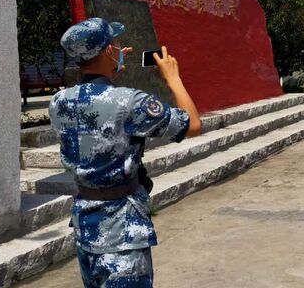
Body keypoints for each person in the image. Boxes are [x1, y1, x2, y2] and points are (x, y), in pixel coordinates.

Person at [51, 17, 202, 288]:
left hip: (87, 227)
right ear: (109, 50)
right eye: (116, 44)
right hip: (122, 232)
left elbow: (97, 103)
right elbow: (192, 124)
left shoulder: (59, 102)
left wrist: (109, 71)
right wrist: (174, 79)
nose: (121, 48)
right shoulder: (130, 101)